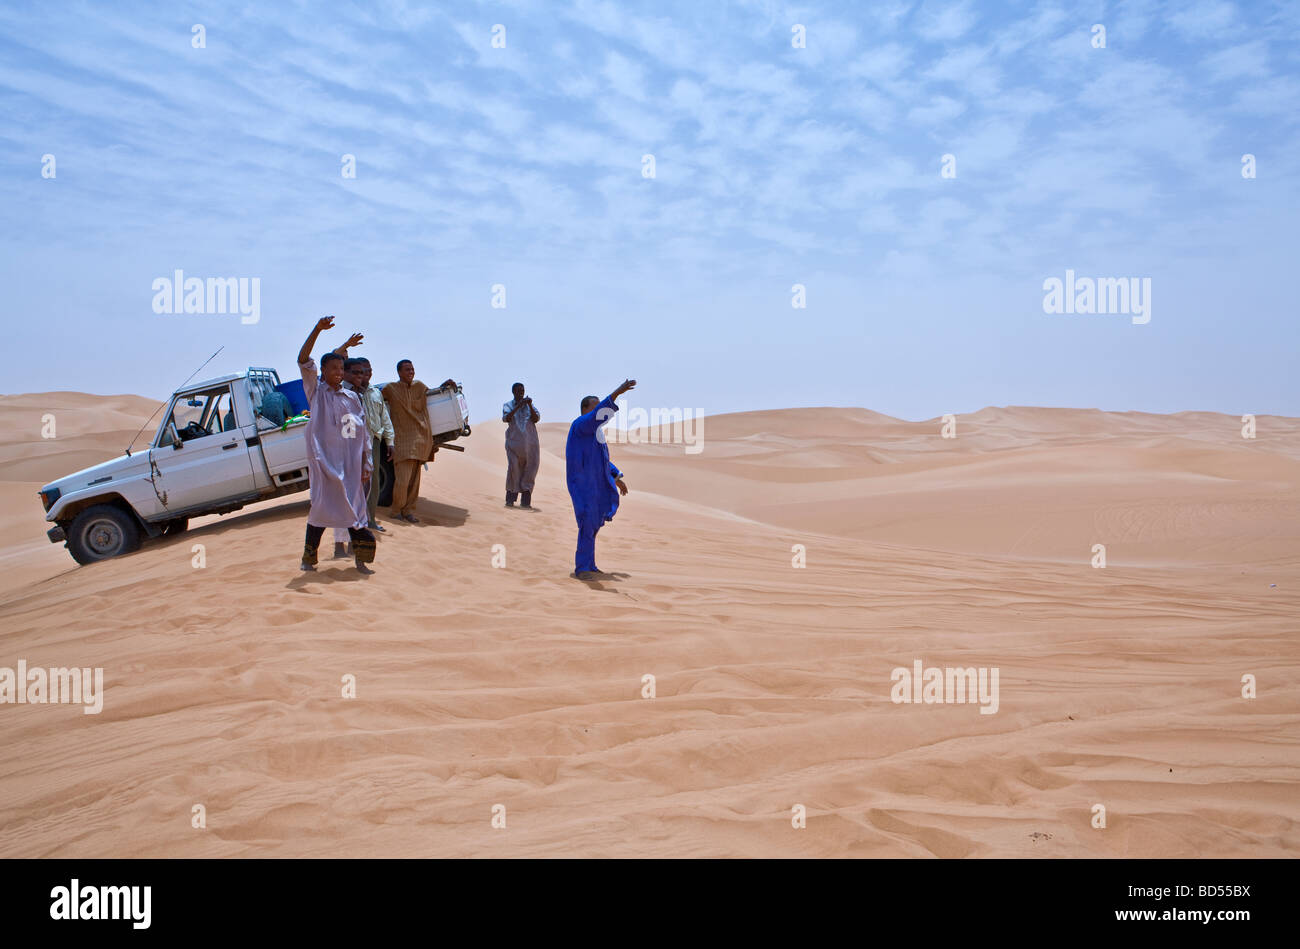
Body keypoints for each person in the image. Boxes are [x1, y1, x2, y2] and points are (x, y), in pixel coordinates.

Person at [295, 317, 376, 574]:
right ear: (323, 371)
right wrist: (317, 330)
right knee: (321, 508)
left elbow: (362, 434)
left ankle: (361, 561)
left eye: (341, 369)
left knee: (354, 509)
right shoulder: (316, 392)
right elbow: (303, 358)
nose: (338, 373)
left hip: (351, 466)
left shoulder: (352, 397)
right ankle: (309, 558)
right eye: (333, 369)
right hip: (324, 464)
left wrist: (367, 461)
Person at [328, 351, 396, 557]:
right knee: (344, 501)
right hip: (344, 454)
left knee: (359, 500)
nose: (361, 376)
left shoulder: (362, 394)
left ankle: (354, 545)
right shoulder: (339, 394)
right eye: (356, 373)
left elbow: (366, 427)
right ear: (345, 373)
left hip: (362, 452)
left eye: (363, 373)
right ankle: (340, 547)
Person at [565, 379, 635, 579]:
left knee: (594, 524)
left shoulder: (596, 434)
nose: (599, 412)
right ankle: (582, 568)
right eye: (595, 408)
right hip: (582, 484)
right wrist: (616, 393)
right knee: (587, 521)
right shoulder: (580, 426)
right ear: (585, 409)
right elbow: (598, 416)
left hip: (595, 484)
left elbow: (604, 460)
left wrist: (616, 476)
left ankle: (590, 564)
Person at [382, 359, 455, 523]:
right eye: (407, 369)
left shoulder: (420, 386)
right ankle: (396, 511)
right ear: (399, 372)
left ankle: (408, 511)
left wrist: (445, 384)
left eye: (412, 369)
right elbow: (375, 396)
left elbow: (433, 393)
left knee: (415, 481)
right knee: (402, 480)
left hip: (421, 440)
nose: (411, 372)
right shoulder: (391, 389)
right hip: (402, 441)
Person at [502, 382, 541, 509]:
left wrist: (528, 404)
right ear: (513, 392)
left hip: (530, 445)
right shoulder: (508, 405)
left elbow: (536, 419)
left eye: (522, 390)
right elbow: (506, 418)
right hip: (514, 444)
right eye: (518, 391)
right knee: (514, 470)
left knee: (530, 471)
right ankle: (510, 500)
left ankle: (526, 502)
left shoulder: (530, 406)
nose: (521, 393)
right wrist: (518, 406)